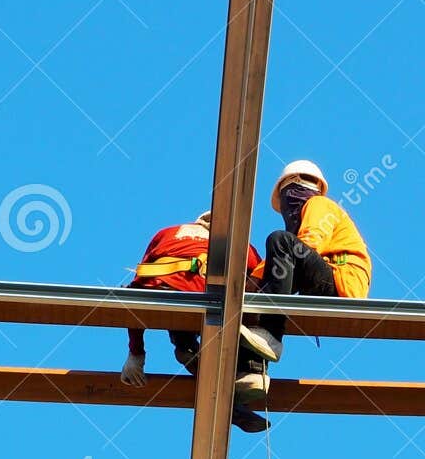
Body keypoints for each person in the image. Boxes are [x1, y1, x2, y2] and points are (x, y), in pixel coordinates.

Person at [119, 211, 270, 433]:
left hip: (164, 295)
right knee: (250, 308)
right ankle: (246, 373)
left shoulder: (166, 233)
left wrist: (136, 354)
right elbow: (261, 285)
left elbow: (137, 292)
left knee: (176, 309)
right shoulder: (240, 245)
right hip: (206, 301)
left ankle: (188, 348)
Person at [245, 159, 372, 362]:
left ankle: (271, 335)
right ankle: (252, 364)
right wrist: (252, 281)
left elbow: (310, 241)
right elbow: (283, 260)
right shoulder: (300, 229)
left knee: (280, 240)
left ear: (294, 187)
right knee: (270, 277)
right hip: (328, 281)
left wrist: (255, 282)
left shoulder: (319, 204)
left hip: (340, 281)